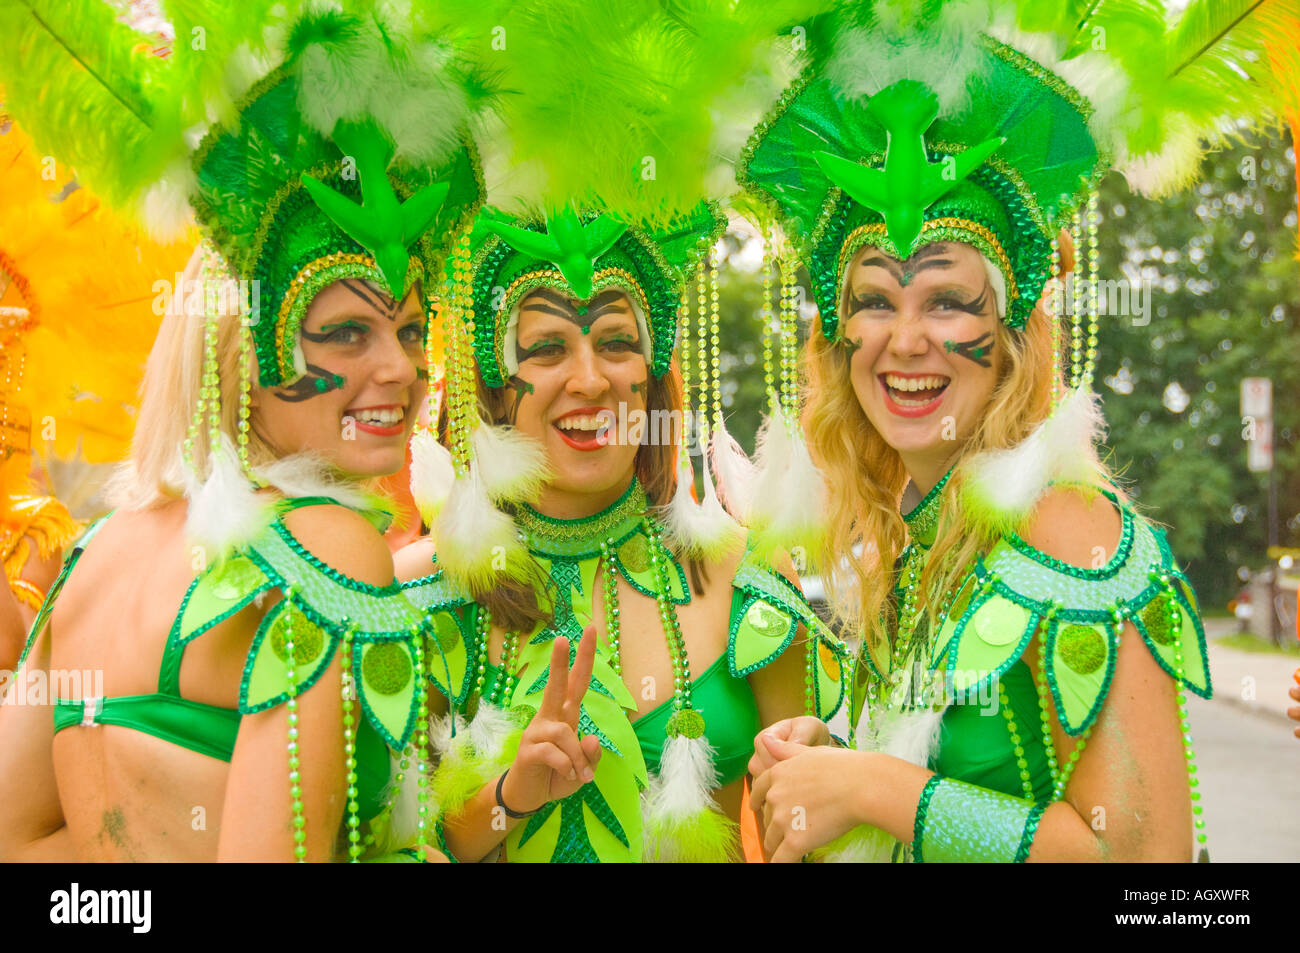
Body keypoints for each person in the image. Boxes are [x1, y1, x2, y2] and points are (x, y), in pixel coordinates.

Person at [730, 0, 1292, 862]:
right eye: (875, 301)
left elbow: (1148, 865)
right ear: (838, 343)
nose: (905, 340)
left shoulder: (1068, 526)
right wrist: (838, 766)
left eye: (948, 300)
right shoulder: (913, 534)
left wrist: (874, 787)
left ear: (1015, 334)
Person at [0, 4, 487, 861]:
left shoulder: (96, 556)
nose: (401, 370)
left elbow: (22, 842)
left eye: (412, 331)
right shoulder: (326, 545)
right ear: (242, 354)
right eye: (345, 334)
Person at [396, 200, 848, 863]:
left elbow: (813, 840)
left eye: (615, 342)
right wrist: (510, 794)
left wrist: (832, 772)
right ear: (494, 385)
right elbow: (387, 839)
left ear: (650, 375)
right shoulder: (424, 592)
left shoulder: (744, 571)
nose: (589, 379)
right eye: (548, 347)